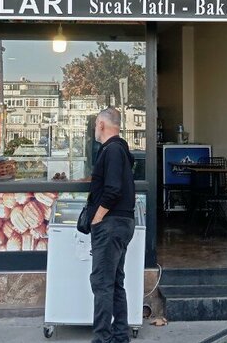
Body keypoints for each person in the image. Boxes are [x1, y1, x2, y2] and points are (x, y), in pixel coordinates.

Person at [88, 107, 136, 343]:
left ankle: (102, 339)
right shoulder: (119, 150)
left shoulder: (113, 150)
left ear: (101, 124)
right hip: (120, 224)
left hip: (111, 224)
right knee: (115, 283)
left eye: (95, 124)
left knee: (103, 284)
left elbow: (113, 190)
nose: (94, 129)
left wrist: (97, 219)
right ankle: (120, 337)